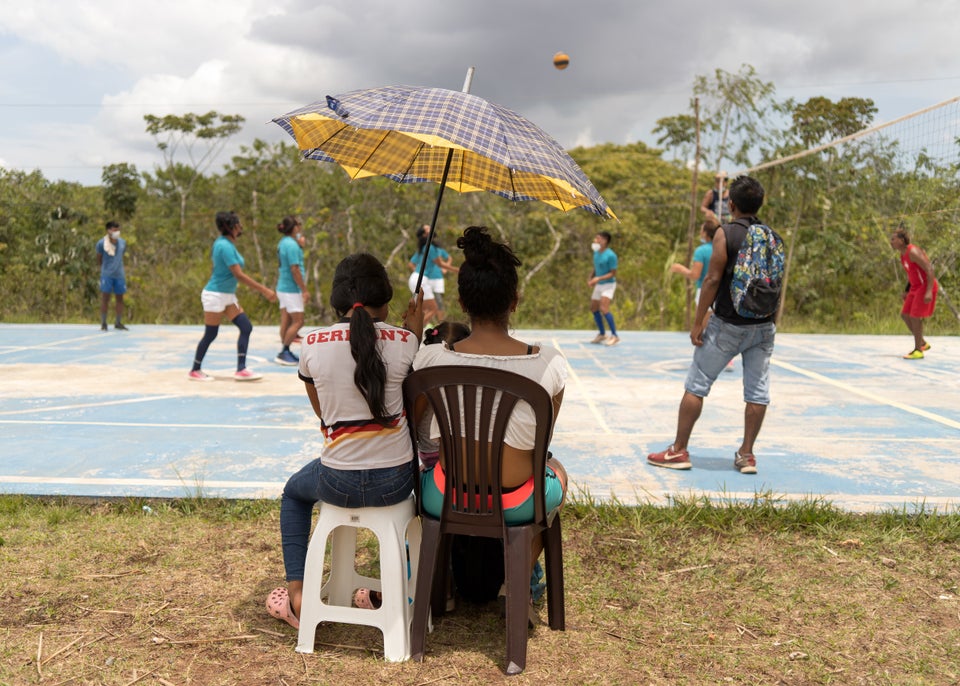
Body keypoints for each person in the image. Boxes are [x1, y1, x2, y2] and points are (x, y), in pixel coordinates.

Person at [266, 253, 424, 627]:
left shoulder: (312, 343)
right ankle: (409, 589)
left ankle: (298, 597)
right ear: (385, 299)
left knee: (294, 494)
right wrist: (414, 333)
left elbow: (323, 415)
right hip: (396, 481)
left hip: (337, 480)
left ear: (338, 300)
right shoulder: (406, 342)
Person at [413, 226, 568, 597]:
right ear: (514, 301)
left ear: (462, 302)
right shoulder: (549, 364)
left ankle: (439, 578)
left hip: (446, 494)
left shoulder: (430, 359)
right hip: (517, 501)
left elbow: (413, 426)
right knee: (558, 471)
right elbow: (541, 442)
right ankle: (517, 583)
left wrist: (412, 335)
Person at [648, 176, 774, 474]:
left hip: (727, 324)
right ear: (760, 204)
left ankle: (678, 451)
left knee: (697, 385)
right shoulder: (771, 236)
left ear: (731, 204)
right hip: (763, 325)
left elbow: (713, 279)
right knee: (757, 392)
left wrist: (698, 321)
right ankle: (747, 454)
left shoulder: (724, 233)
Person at [188, 211, 277, 382]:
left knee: (246, 327)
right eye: (238, 224)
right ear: (231, 227)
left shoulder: (227, 244)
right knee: (211, 334)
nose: (240, 227)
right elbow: (239, 275)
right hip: (215, 295)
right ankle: (195, 369)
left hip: (227, 296)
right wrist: (264, 290)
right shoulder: (224, 246)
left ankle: (241, 369)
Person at [416, 320, 471, 471]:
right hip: (451, 456)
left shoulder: (423, 374)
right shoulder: (466, 377)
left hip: (429, 454)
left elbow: (414, 422)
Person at [890, 228, 938, 359]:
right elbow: (912, 273)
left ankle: (918, 350)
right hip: (915, 287)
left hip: (925, 286)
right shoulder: (902, 255)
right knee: (905, 315)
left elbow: (929, 269)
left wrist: (929, 291)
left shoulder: (913, 252)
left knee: (915, 316)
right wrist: (906, 291)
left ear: (901, 240)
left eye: (893, 239)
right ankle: (922, 342)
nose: (891, 242)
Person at [274, 216, 309, 366]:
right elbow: (295, 269)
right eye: (298, 224)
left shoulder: (284, 242)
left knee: (286, 320)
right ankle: (284, 351)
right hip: (292, 289)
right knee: (298, 321)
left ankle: (285, 350)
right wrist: (304, 290)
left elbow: (298, 239)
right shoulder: (292, 246)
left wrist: (299, 243)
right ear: (294, 227)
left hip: (283, 287)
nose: (300, 227)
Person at [671, 219, 720, 306]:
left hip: (705, 292)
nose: (700, 233)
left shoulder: (701, 251)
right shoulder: (721, 249)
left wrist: (680, 269)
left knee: (701, 315)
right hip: (721, 293)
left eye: (701, 230)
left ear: (705, 233)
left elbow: (695, 275)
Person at [421, 225, 459, 321]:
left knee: (438, 301)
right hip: (427, 278)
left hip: (437, 278)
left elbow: (448, 258)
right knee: (426, 302)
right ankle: (425, 323)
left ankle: (440, 323)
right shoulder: (425, 249)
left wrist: (446, 269)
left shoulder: (438, 250)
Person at [588, 231, 620, 346]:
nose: (595, 241)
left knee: (604, 308)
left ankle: (615, 336)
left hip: (608, 285)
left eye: (598, 238)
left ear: (605, 241)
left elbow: (613, 273)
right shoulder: (596, 253)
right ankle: (602, 334)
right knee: (594, 308)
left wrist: (598, 278)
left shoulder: (611, 255)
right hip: (599, 284)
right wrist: (591, 278)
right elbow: (595, 267)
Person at [96, 221, 128, 331]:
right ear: (108, 231)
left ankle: (118, 322)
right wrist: (105, 269)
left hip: (119, 275)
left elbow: (121, 254)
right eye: (114, 230)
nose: (117, 232)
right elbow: (99, 258)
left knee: (120, 299)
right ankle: (103, 322)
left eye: (118, 230)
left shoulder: (122, 243)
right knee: (105, 298)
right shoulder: (101, 243)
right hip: (107, 275)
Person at [407, 226, 442, 325]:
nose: (430, 228)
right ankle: (413, 329)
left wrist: (417, 273)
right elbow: (441, 264)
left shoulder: (423, 248)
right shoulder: (429, 248)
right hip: (419, 279)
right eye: (427, 229)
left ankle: (413, 328)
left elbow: (411, 264)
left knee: (423, 310)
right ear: (424, 234)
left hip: (415, 278)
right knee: (433, 308)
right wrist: (456, 269)